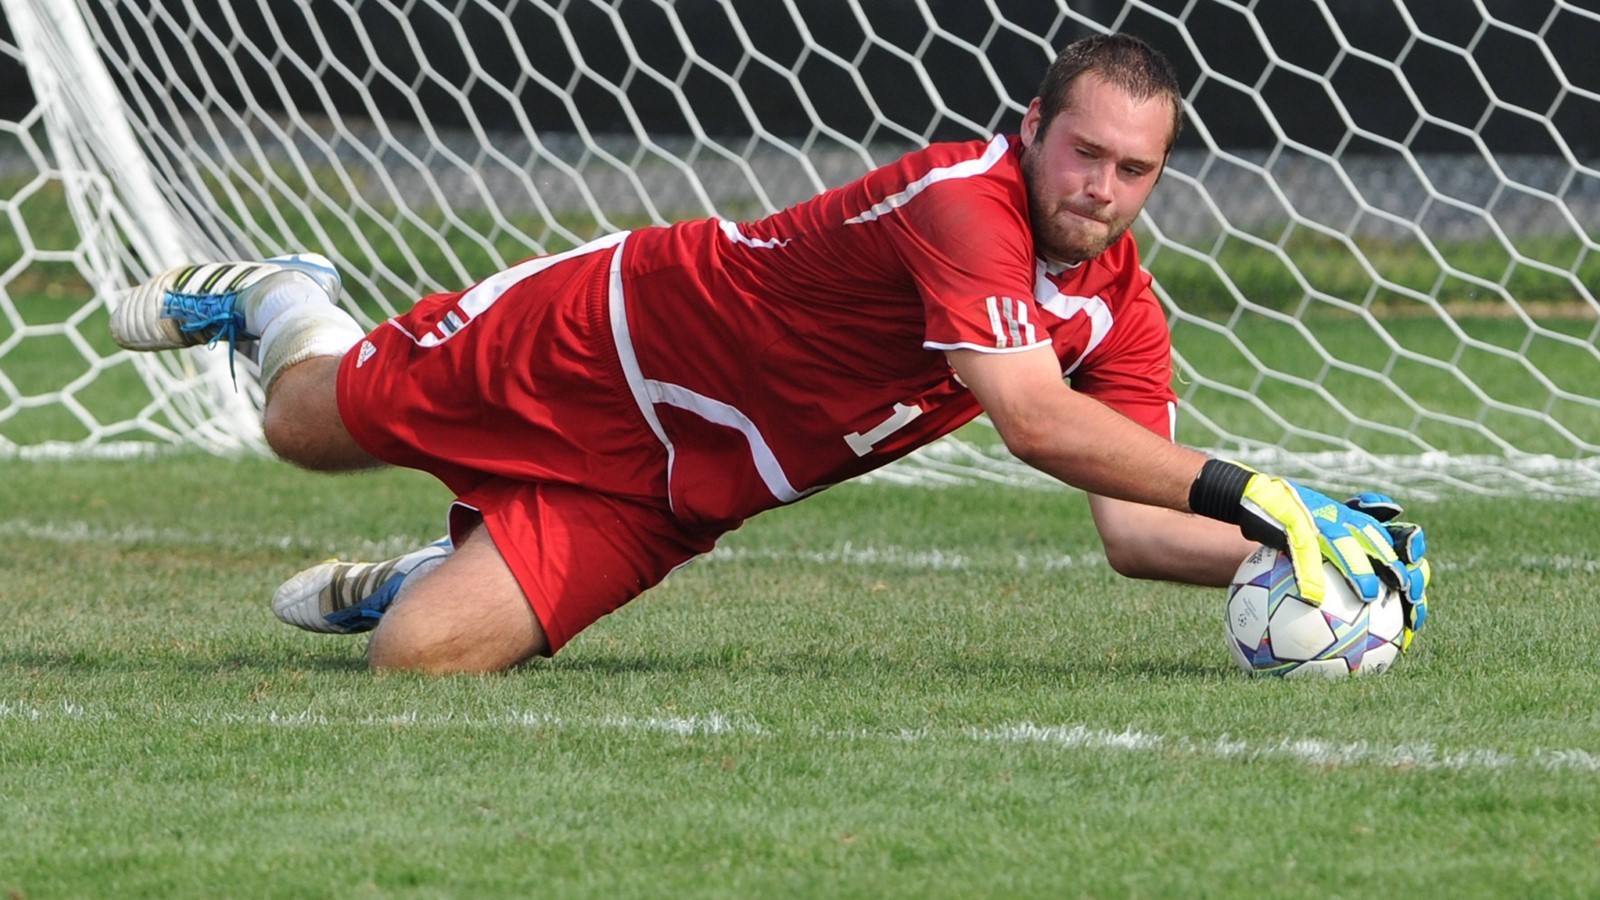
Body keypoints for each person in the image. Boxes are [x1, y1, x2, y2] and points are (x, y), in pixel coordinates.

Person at [112, 33, 1429, 675]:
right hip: (600, 346)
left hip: (673, 494)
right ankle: (288, 295)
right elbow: (1032, 421)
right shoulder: (961, 199)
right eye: (1083, 148)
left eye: (1133, 168)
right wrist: (1256, 487)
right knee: (306, 431)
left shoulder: (1124, 313)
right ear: (1033, 126)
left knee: (413, 659)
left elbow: (1136, 533)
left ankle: (428, 575)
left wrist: (1312, 547)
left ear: (1158, 177)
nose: (1100, 183)